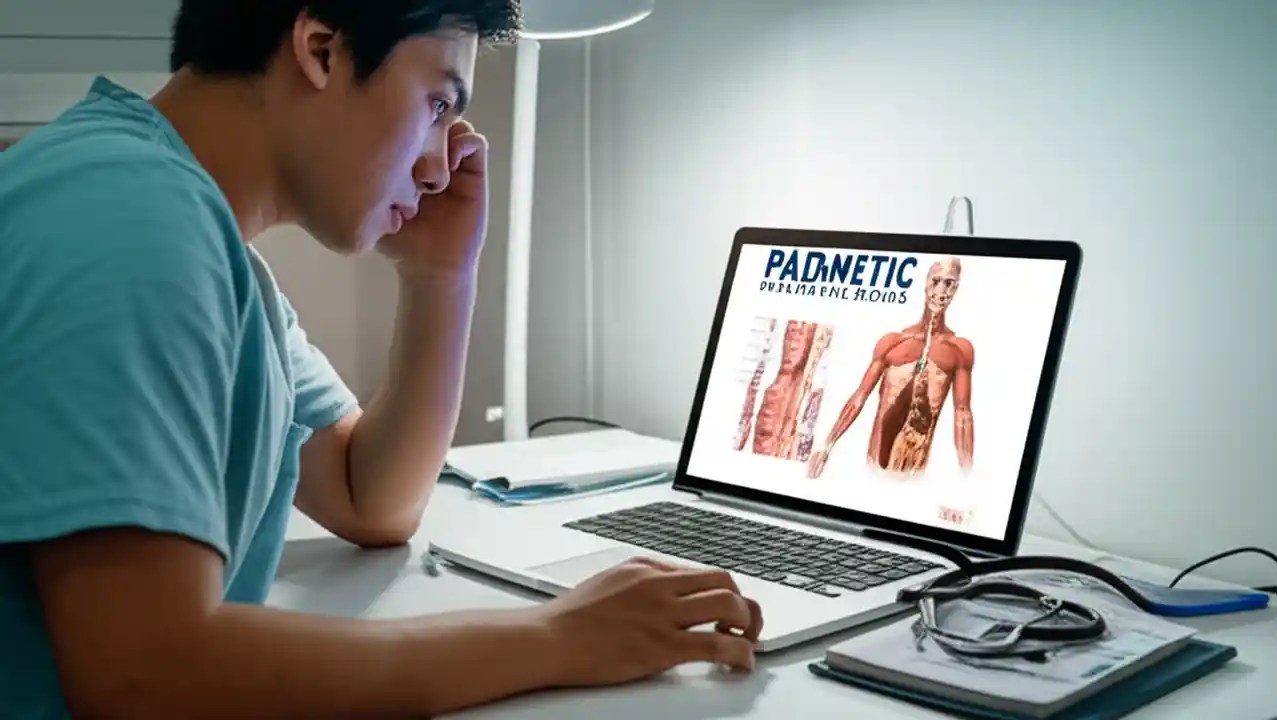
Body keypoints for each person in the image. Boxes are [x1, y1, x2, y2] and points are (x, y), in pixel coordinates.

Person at [0, 1, 762, 717]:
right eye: (438, 104)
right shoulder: (130, 224)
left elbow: (374, 496)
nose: (437, 166)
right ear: (322, 49)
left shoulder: (208, 252)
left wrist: (440, 278)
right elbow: (147, 671)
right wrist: (558, 639)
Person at [807, 258, 975, 478]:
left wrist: (968, 478)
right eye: (936, 281)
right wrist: (827, 445)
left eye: (949, 283)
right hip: (874, 466)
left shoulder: (959, 349)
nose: (941, 291)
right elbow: (860, 396)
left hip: (915, 472)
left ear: (957, 288)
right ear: (925, 283)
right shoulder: (893, 342)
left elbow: (962, 414)